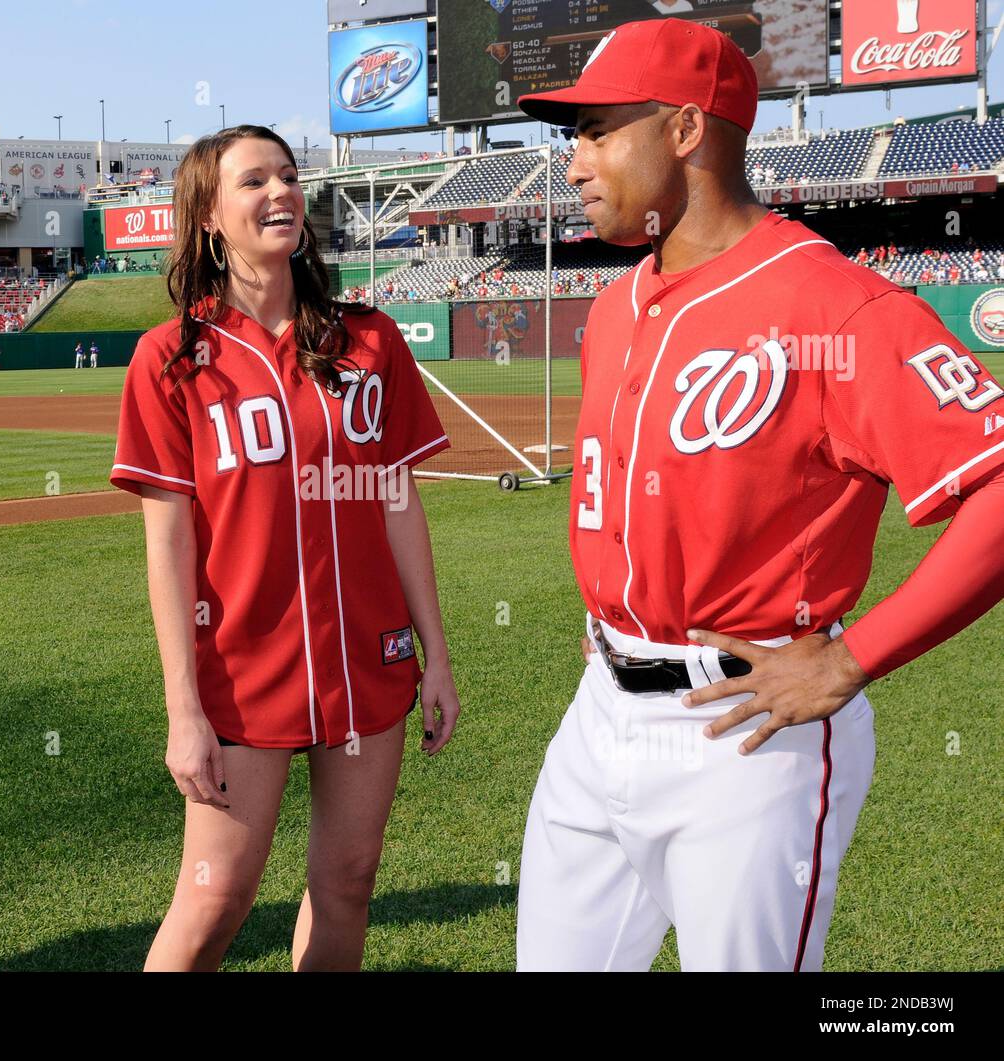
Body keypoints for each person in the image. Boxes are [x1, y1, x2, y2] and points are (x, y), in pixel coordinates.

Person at [514, 18, 1004, 972]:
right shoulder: (617, 304)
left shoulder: (839, 306)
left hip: (748, 732)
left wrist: (852, 657)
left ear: (686, 131)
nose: (572, 161)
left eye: (597, 130)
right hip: (598, 710)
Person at [110, 124, 461, 972]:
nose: (281, 193)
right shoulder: (171, 359)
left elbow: (399, 504)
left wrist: (437, 656)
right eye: (254, 180)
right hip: (242, 671)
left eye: (290, 176)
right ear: (207, 216)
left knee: (348, 881)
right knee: (214, 898)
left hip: (366, 661)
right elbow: (168, 545)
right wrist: (181, 709)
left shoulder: (369, 342)